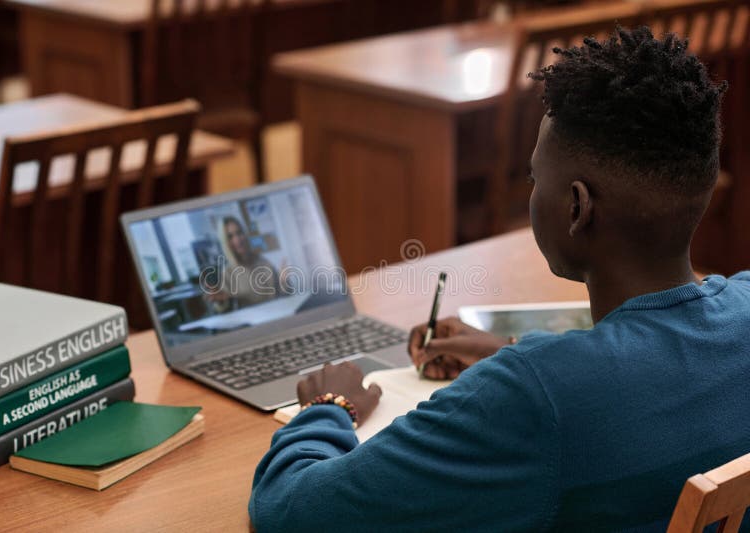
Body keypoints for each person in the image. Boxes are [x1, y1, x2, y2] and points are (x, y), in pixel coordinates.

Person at [248, 27, 750, 531]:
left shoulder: (532, 400)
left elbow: (293, 511)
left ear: (577, 207)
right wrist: (510, 350)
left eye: (535, 178)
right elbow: (646, 369)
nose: (532, 191)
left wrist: (326, 408)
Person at [206, 215, 289, 311]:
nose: (237, 240)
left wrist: (284, 281)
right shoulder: (228, 273)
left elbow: (283, 296)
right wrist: (221, 302)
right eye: (230, 236)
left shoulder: (263, 262)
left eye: (239, 233)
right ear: (225, 242)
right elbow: (225, 309)